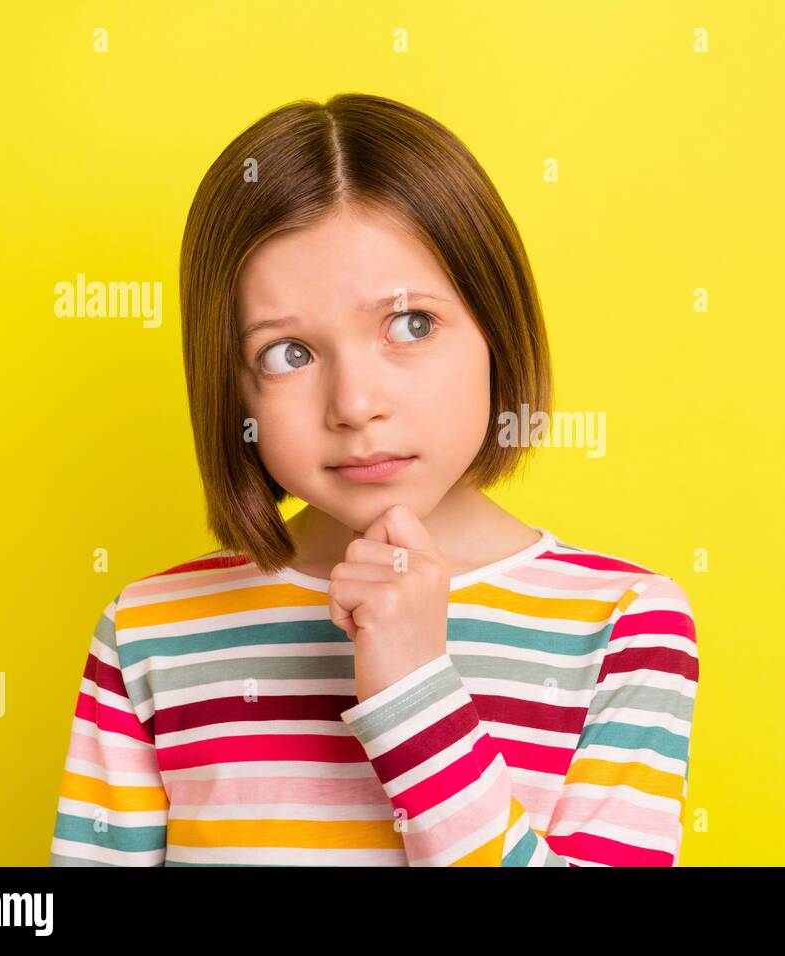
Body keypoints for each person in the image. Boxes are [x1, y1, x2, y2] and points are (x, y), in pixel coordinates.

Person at [48, 92, 699, 866]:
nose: (355, 405)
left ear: (497, 326)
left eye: (411, 325)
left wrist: (414, 689)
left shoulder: (624, 624)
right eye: (289, 353)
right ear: (233, 388)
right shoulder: (147, 633)